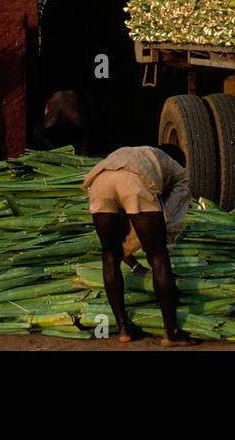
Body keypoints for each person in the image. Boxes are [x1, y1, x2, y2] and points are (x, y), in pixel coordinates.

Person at [83, 144, 193, 346]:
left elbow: (122, 227)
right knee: (158, 258)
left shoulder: (137, 153)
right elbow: (172, 213)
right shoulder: (177, 169)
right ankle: (171, 334)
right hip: (132, 181)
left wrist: (133, 261)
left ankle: (124, 329)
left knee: (109, 256)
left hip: (99, 181)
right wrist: (163, 241)